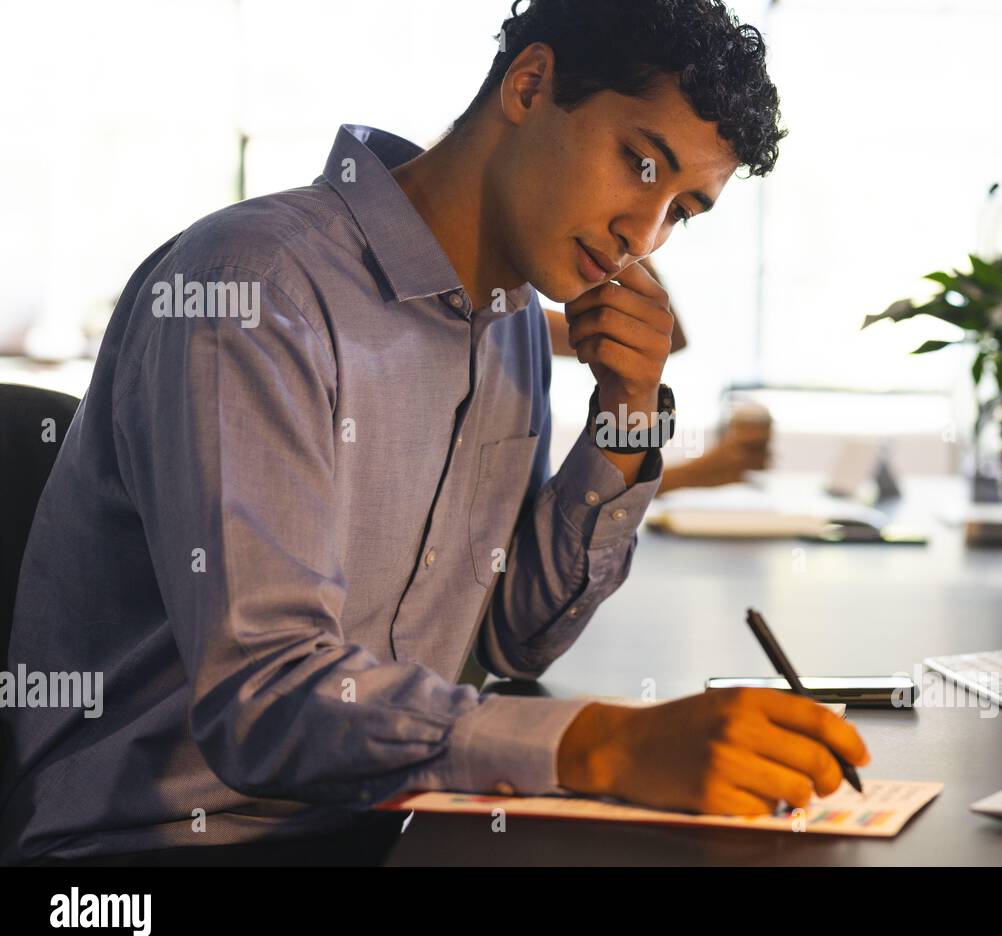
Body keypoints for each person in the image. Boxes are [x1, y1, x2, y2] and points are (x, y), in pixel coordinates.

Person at [0, 0, 866, 863]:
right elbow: (263, 698)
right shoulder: (252, 290)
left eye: (682, 209)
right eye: (641, 163)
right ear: (530, 85)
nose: (645, 235)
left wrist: (626, 414)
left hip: (388, 820)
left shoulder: (515, 320)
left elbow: (513, 637)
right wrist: (609, 744)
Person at [544, 257, 772, 493]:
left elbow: (667, 338)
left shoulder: (529, 323)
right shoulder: (520, 320)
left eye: (678, 217)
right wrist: (693, 474)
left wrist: (630, 254)